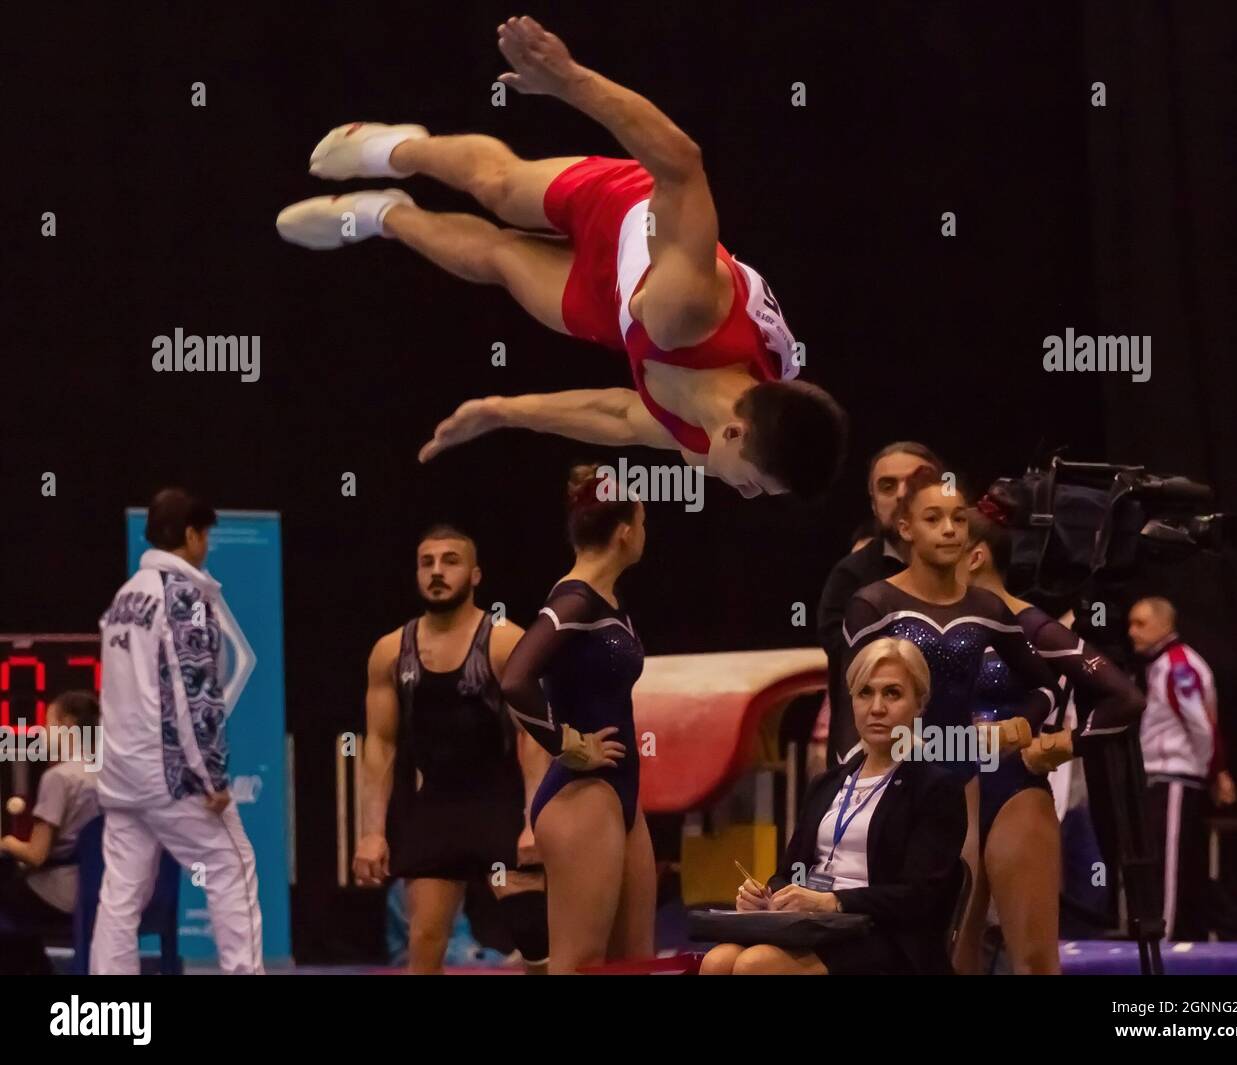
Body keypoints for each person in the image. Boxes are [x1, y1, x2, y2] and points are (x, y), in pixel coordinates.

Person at [276, 16, 848, 500]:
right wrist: (571, 81)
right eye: (753, 485)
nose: (744, 494)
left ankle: (380, 214)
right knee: (500, 188)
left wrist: (502, 410)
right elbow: (682, 165)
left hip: (615, 311)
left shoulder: (704, 447)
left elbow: (620, 418)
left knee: (499, 258)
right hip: (629, 214)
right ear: (736, 432)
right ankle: (394, 147)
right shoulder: (691, 313)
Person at [840, 468, 1062, 969]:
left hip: (959, 780)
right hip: (890, 783)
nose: (949, 530)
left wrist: (1019, 724)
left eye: (958, 519)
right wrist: (846, 777)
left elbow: (1046, 685)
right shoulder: (875, 603)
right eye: (933, 519)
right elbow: (849, 702)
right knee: (893, 938)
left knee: (954, 943)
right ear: (905, 528)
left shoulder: (987, 609)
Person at [701, 637, 966, 975]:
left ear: (919, 703)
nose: (877, 708)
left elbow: (920, 896)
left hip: (885, 936)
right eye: (865, 693)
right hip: (812, 926)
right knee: (717, 962)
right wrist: (769, 897)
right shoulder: (827, 783)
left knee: (755, 966)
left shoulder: (935, 786)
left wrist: (833, 901)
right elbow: (790, 872)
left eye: (892, 693)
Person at [353, 524, 551, 973]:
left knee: (533, 933)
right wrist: (371, 832)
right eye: (427, 562)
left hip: (501, 804)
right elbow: (380, 745)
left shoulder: (503, 641)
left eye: (451, 561)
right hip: (437, 806)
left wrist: (533, 821)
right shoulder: (389, 652)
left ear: (476, 575)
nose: (437, 572)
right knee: (423, 939)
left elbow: (536, 735)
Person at [961, 502, 1145, 975]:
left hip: (1013, 795)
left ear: (976, 556)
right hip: (952, 795)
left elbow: (1123, 697)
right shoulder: (941, 629)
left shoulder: (1029, 625)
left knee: (1035, 963)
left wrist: (1065, 743)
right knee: (953, 961)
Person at [91, 488, 264, 974]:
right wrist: (212, 777)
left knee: (120, 896)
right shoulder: (184, 597)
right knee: (232, 869)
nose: (206, 544)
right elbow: (196, 696)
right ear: (190, 535)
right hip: (171, 776)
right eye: (204, 533)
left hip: (122, 776)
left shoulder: (124, 596)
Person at [499, 465, 654, 972]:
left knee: (633, 962)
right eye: (645, 522)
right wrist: (565, 743)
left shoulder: (607, 599)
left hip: (620, 792)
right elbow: (515, 678)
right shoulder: (575, 598)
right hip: (581, 794)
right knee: (580, 964)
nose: (645, 534)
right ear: (626, 531)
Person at [817, 442, 941, 762]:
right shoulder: (850, 577)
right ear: (873, 505)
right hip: (872, 764)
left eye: (916, 483)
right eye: (887, 486)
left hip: (960, 759)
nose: (902, 494)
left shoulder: (971, 570)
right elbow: (854, 671)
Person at [1128, 596, 1219, 941]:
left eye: (1141, 624)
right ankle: (1198, 934)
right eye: (1130, 624)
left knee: (1166, 865)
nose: (1132, 632)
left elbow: (1201, 725)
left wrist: (1207, 770)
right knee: (1183, 866)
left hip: (1176, 777)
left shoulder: (1178, 665)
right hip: (1167, 777)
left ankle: (1161, 940)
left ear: (1165, 625)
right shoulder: (1160, 664)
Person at [0, 691, 101, 974]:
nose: (42, 733)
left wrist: (7, 842)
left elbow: (36, 855)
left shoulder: (59, 777)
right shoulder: (108, 774)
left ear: (67, 724)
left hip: (62, 892)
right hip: (104, 890)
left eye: (47, 724)